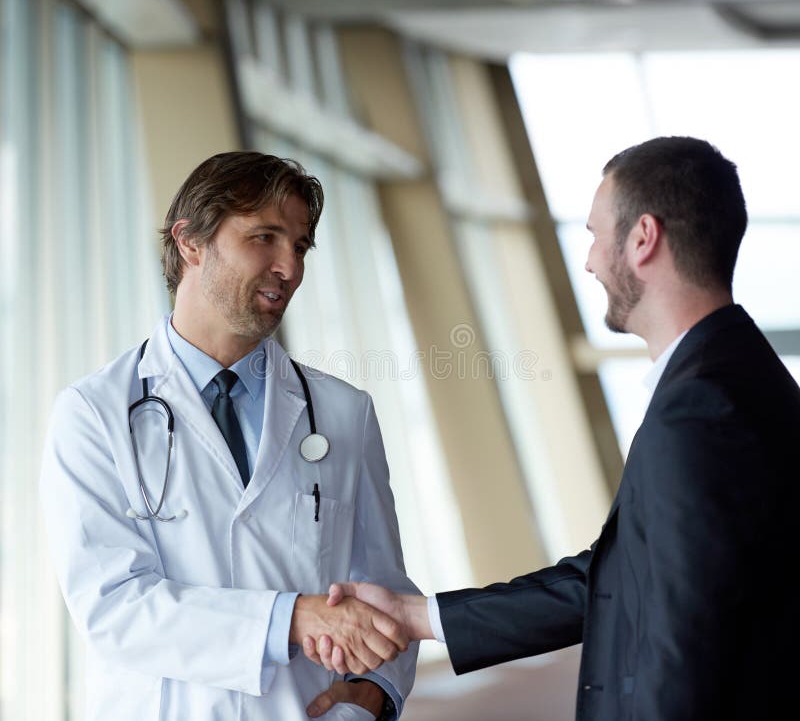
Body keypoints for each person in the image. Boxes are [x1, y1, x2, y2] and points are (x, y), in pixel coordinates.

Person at [311, 136, 800, 719]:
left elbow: (686, 641)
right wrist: (418, 616)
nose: (589, 260)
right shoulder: (738, 376)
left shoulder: (697, 409)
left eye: (595, 235)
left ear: (643, 239)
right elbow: (615, 577)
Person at [40, 151, 418, 721]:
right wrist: (291, 618)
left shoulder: (343, 412)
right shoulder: (93, 414)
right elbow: (113, 608)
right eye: (264, 237)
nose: (287, 267)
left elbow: (384, 589)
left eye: (299, 245)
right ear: (190, 242)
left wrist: (371, 697)